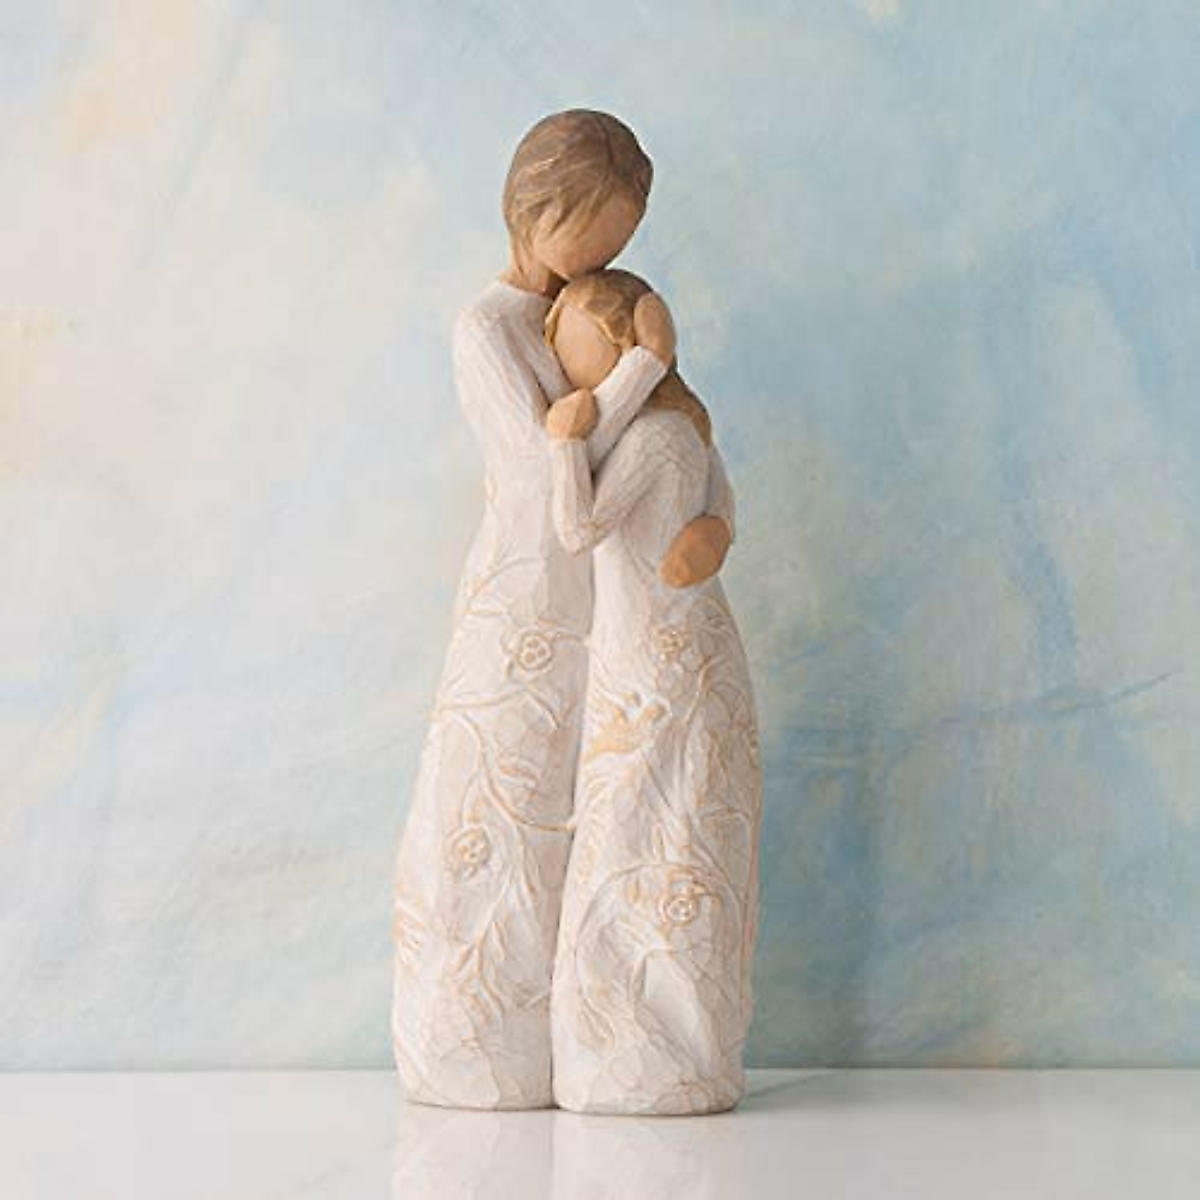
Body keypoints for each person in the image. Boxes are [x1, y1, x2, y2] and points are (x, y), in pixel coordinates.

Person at [390, 110, 736, 1110]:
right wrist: (643, 367)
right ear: (536, 207)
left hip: (606, 605)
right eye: (592, 234)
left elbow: (631, 460)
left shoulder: (581, 311)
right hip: (526, 598)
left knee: (593, 815)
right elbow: (547, 472)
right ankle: (478, 1039)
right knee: (499, 806)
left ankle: (594, 1036)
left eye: (619, 241)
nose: (603, 260)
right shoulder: (486, 328)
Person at [543, 268, 762, 1115]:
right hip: (680, 650)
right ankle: (681, 1046)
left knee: (638, 833)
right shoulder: (685, 430)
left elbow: (577, 528)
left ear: (616, 345)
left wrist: (564, 443)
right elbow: (724, 506)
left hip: (648, 664)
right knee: (668, 826)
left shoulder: (654, 438)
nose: (562, 366)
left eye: (572, 345)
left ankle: (637, 1047)